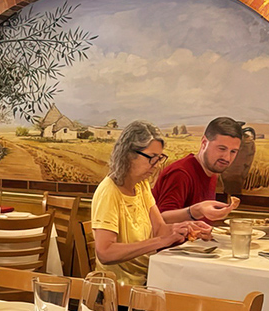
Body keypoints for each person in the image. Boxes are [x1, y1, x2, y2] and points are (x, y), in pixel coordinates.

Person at [91, 120, 232, 288]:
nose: (157, 165)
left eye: (159, 158)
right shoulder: (109, 191)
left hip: (148, 277)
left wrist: (186, 227)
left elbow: (159, 228)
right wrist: (161, 241)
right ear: (128, 154)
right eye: (152, 158)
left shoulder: (141, 184)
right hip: (120, 289)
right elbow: (105, 253)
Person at [153, 116, 243, 221]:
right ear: (204, 143)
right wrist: (196, 211)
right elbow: (161, 220)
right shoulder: (181, 173)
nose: (227, 157)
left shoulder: (212, 172)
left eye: (233, 152)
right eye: (222, 149)